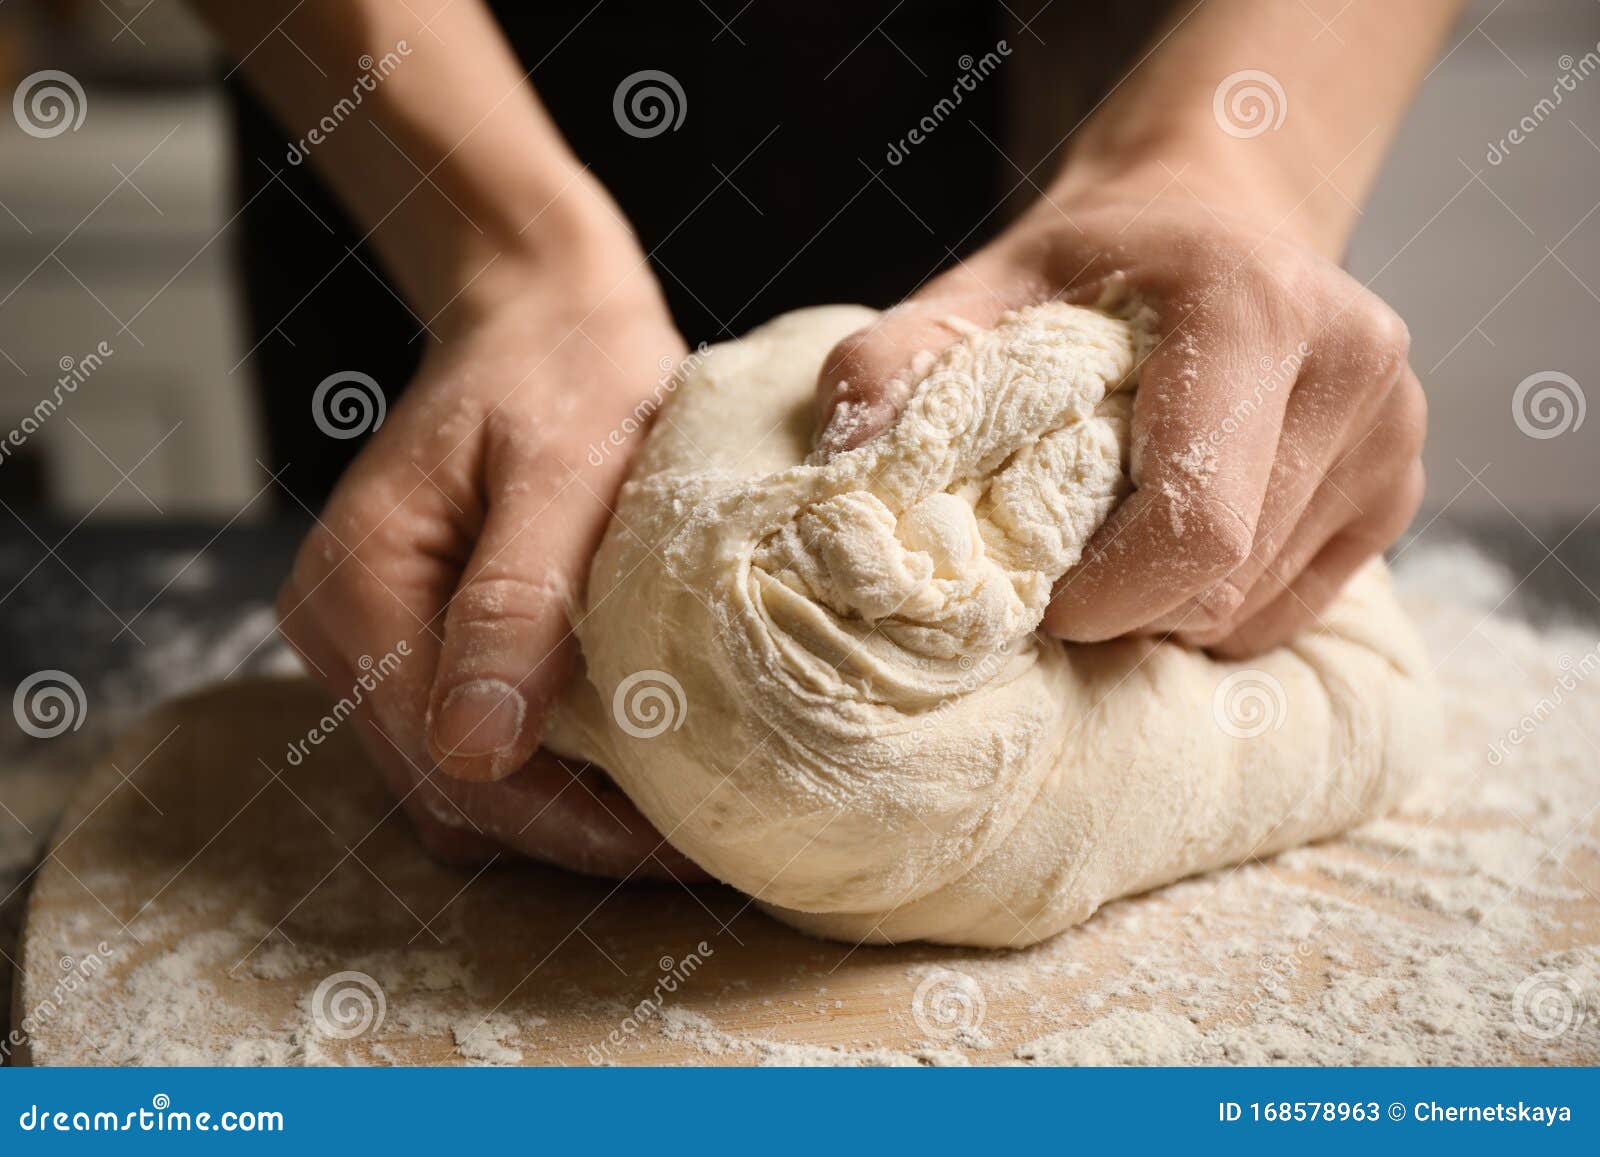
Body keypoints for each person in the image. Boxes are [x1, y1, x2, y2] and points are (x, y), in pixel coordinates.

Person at [187, 1, 1461, 877]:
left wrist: (1229, 157)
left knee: (1193, 497)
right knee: (496, 595)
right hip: (434, 128)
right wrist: (500, 255)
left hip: (1086, 95)